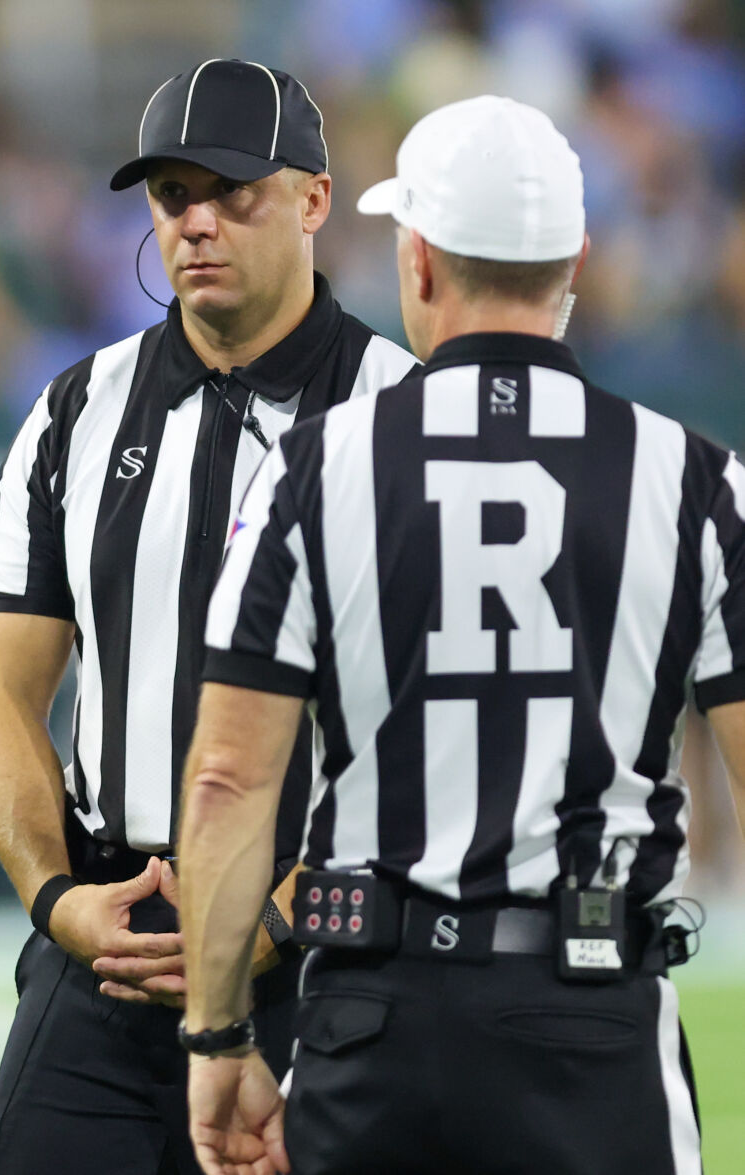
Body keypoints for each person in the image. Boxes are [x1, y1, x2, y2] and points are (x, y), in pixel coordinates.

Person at [179, 95, 722, 1175]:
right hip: (588, 1011)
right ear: (573, 259)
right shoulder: (693, 479)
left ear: (415, 260)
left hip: (367, 1017)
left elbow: (228, 782)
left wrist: (217, 1031)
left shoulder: (313, 465)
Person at [0, 59, 416, 1174]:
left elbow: (432, 734)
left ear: (312, 200)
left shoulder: (400, 416)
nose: (195, 223)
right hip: (112, 936)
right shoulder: (75, 408)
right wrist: (56, 896)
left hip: (326, 954)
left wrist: (276, 916)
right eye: (170, 196)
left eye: (231, 191)